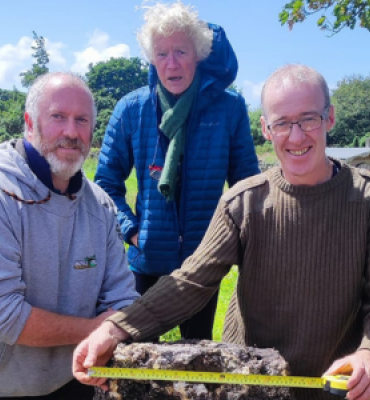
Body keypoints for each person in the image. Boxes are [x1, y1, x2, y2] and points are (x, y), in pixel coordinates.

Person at [74, 64, 370, 400]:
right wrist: (116, 328)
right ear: (265, 128)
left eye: (309, 119)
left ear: (330, 118)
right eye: (281, 123)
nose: (296, 136)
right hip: (249, 384)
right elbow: (192, 281)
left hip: (333, 385)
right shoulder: (243, 202)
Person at [0, 72, 139, 400]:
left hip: (73, 377)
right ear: (30, 123)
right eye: (58, 117)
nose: (71, 132)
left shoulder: (99, 204)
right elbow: (0, 316)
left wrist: (117, 323)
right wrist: (97, 329)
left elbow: (122, 295)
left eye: (82, 120)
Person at [94, 1, 260, 342]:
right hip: (145, 259)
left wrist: (227, 242)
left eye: (181, 51)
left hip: (202, 264)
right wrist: (132, 230)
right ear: (151, 58)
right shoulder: (132, 109)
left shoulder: (229, 108)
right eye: (162, 53)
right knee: (137, 355)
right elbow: (105, 184)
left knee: (197, 356)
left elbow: (247, 186)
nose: (171, 64)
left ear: (197, 54)